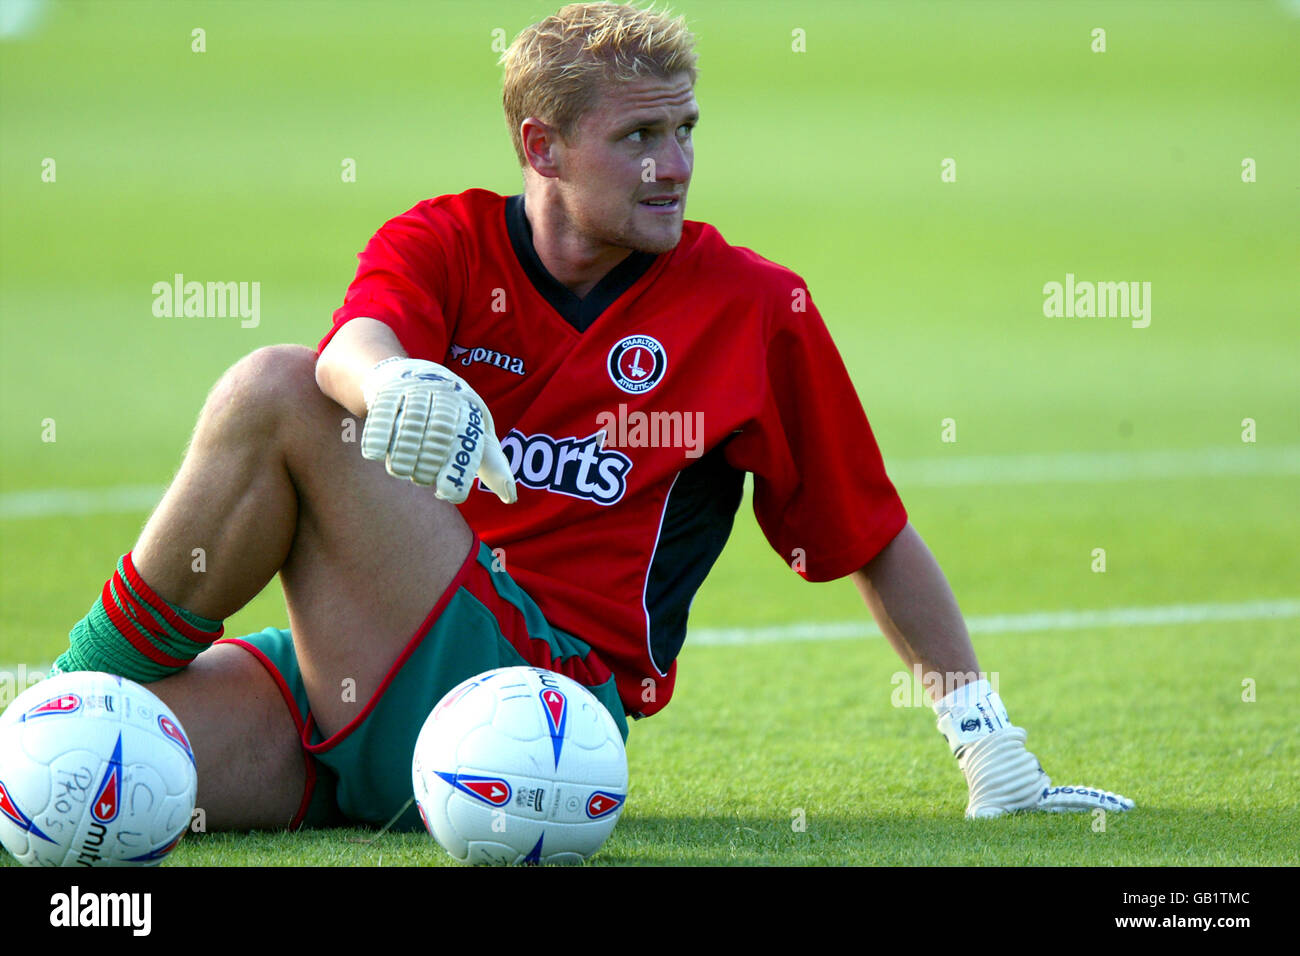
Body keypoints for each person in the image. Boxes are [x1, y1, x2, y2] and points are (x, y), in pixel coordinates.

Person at [52, 2, 1131, 833]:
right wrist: (390, 386)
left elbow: (865, 530)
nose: (675, 166)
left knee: (271, 389)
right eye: (639, 136)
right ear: (541, 146)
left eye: (686, 129)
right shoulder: (446, 239)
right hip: (357, 672)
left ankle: (69, 684)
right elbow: (356, 345)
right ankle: (62, 718)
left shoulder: (754, 305)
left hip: (540, 711)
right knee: (57, 793)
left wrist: (990, 747)